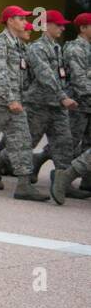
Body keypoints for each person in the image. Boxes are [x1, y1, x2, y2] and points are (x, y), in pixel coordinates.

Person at [0, 6, 48, 200]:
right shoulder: (0, 43)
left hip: (16, 106)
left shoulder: (20, 46)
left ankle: (23, 185)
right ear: (10, 21)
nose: (24, 22)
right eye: (20, 18)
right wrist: (10, 98)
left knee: (23, 142)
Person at [23, 10, 81, 191]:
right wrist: (63, 97)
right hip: (39, 105)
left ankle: (63, 183)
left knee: (64, 143)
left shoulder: (57, 47)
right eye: (59, 25)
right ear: (46, 25)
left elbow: (62, 76)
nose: (63, 28)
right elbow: (45, 76)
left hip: (57, 105)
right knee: (27, 142)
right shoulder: (38, 48)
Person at [65, 12, 91, 188]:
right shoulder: (75, 49)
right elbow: (79, 80)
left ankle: (86, 182)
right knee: (71, 143)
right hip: (78, 103)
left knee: (88, 144)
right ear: (83, 28)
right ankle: (62, 181)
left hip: (88, 104)